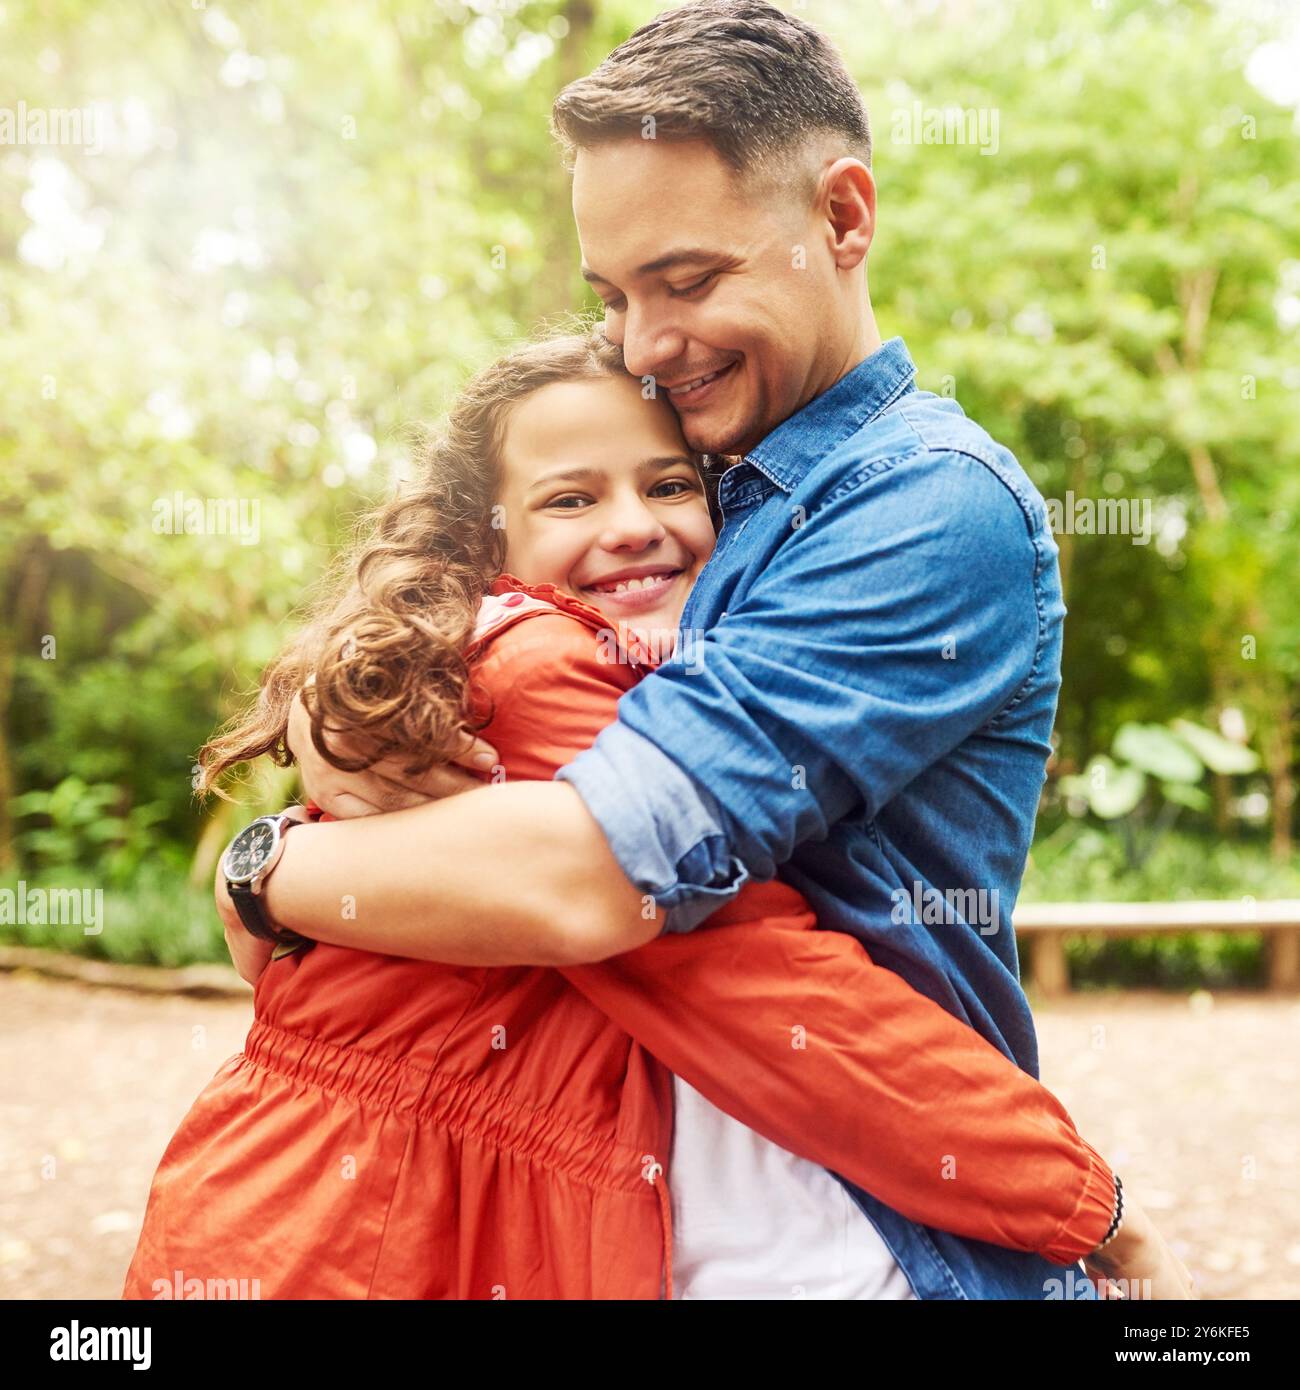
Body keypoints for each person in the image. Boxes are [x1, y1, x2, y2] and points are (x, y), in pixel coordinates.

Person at [213, 3, 1197, 1299]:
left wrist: (273, 868)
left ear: (845, 219)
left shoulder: (926, 505)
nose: (644, 343)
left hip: (864, 1240)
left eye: (686, 280)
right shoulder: (692, 493)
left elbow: (596, 882)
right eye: (614, 296)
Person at [130, 330, 1153, 1300]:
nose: (631, 524)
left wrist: (264, 871)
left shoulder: (565, 675)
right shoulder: (533, 669)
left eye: (668, 484)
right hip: (341, 1227)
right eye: (570, 498)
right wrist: (1080, 1201)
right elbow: (767, 994)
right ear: (487, 544)